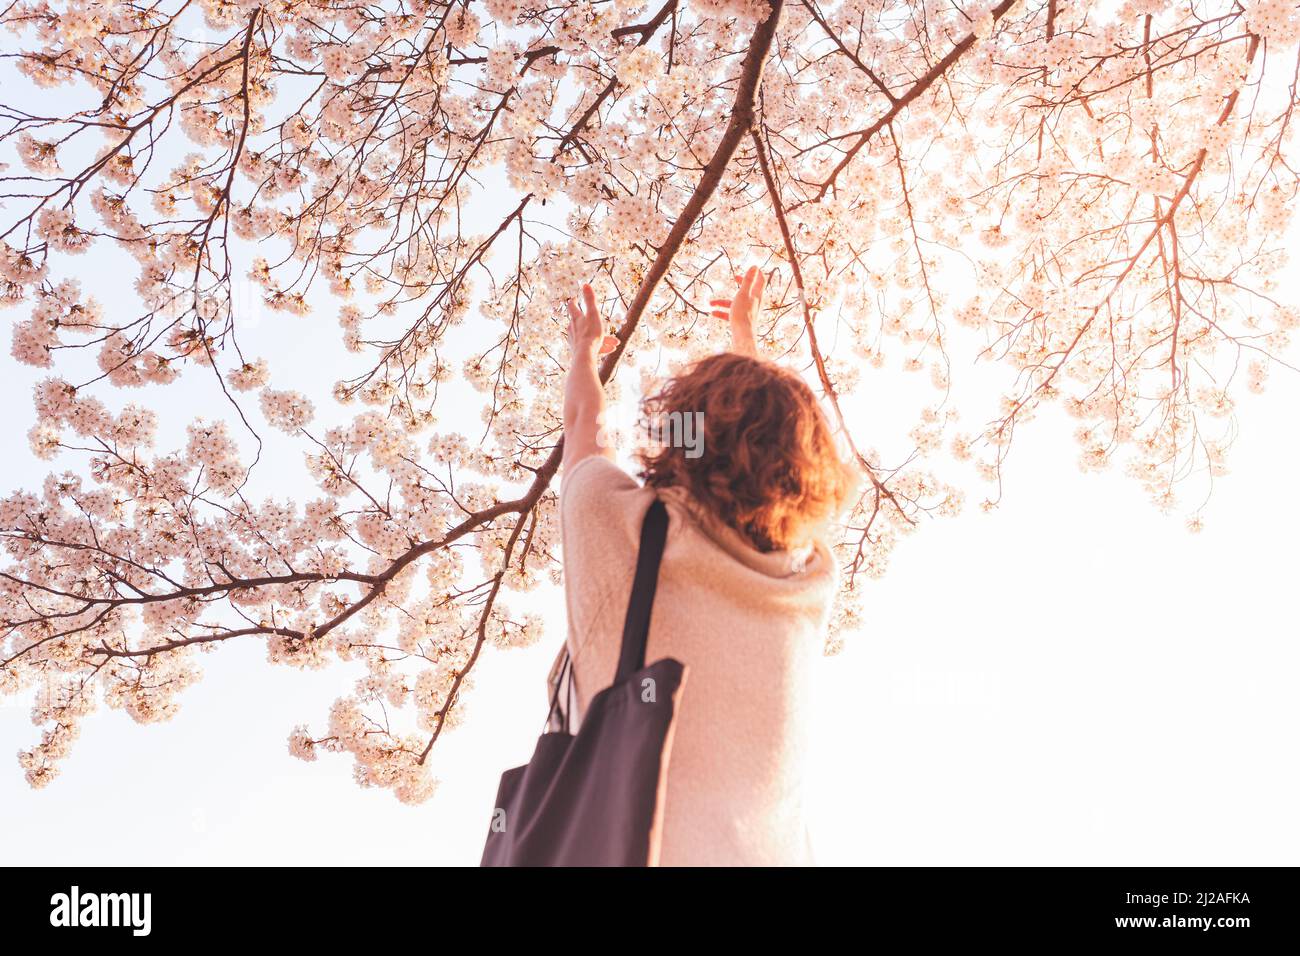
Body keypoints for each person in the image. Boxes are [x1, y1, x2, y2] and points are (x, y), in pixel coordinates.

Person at [559, 266, 856, 866]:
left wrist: (583, 351)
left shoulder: (625, 531)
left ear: (682, 434)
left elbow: (581, 432)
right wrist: (748, 354)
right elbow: (773, 454)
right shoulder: (810, 578)